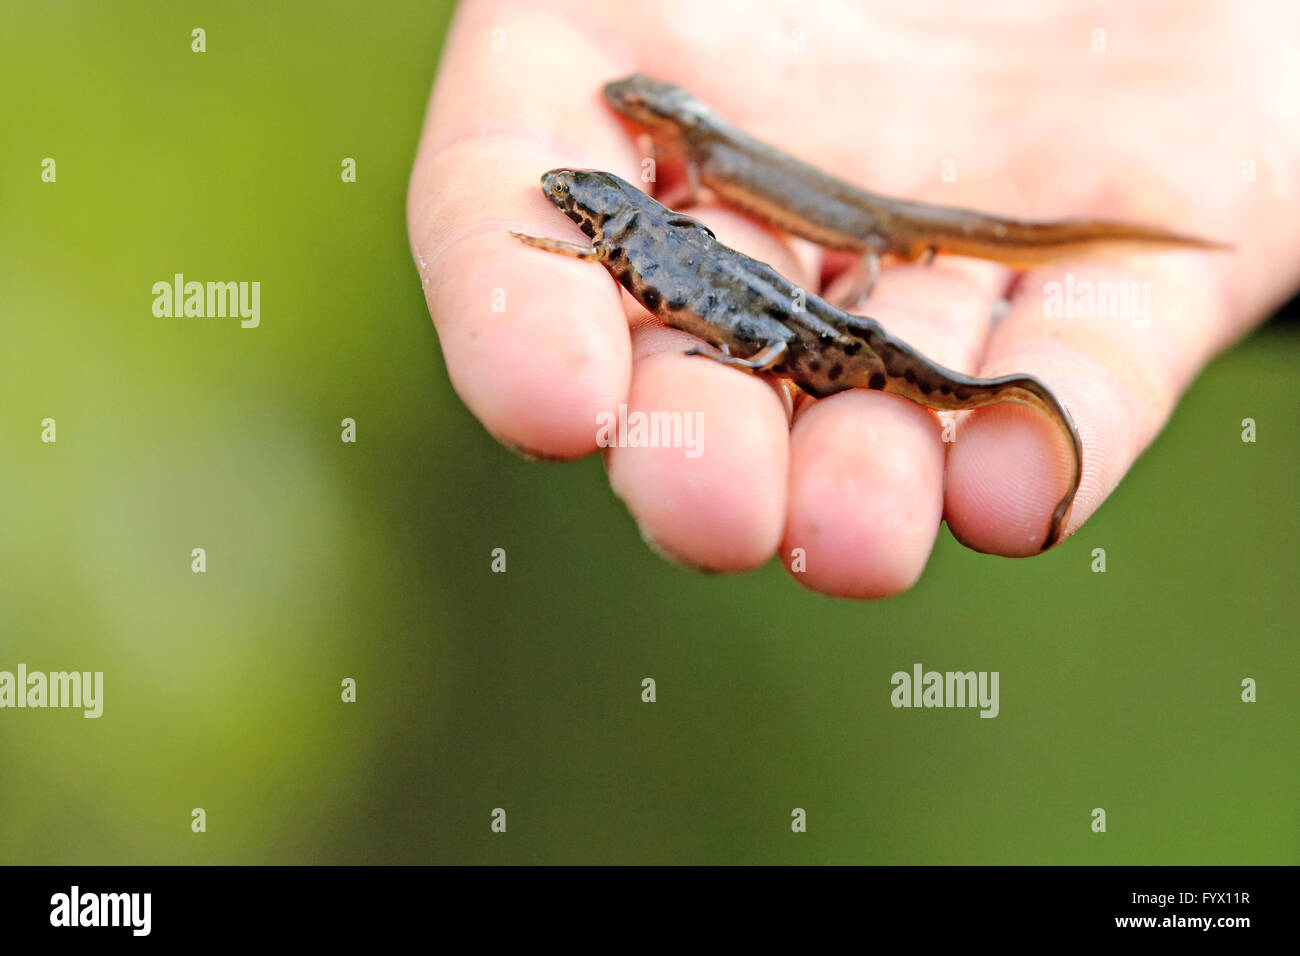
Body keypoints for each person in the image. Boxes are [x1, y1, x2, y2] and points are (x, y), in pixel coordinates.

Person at [407, 0, 1300, 598]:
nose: (623, 106)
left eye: (641, 105)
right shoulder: (679, 175)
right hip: (835, 269)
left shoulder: (703, 161)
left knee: (955, 242)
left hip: (871, 236)